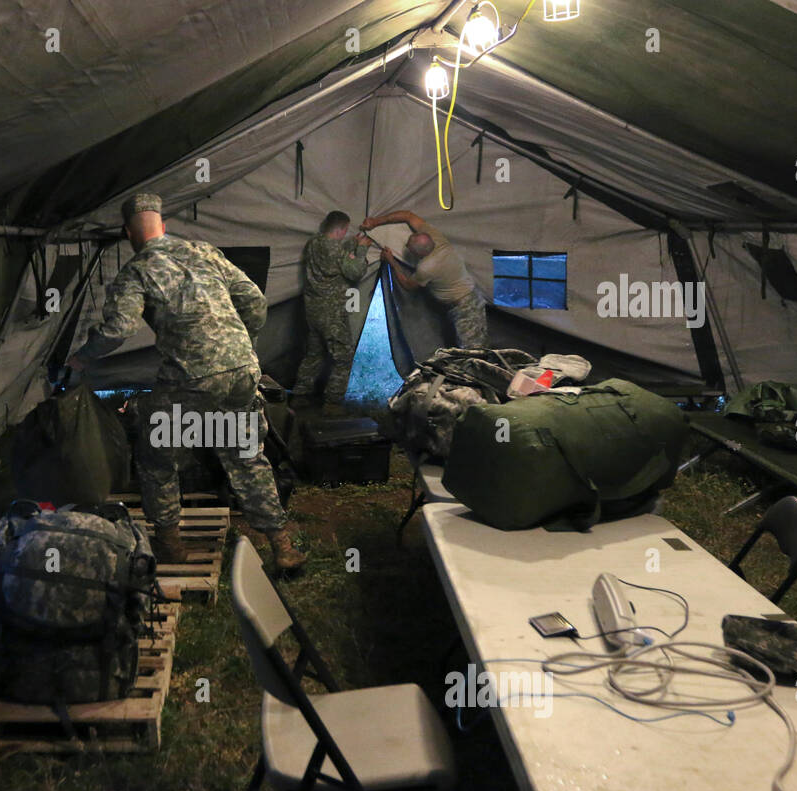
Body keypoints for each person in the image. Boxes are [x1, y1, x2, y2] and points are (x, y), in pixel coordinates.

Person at [67, 193, 306, 571]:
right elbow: (255, 301)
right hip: (242, 371)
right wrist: (242, 345)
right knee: (245, 455)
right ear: (163, 225)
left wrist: (81, 358)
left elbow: (118, 329)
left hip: (189, 380)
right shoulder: (204, 252)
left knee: (157, 457)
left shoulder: (136, 271)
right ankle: (283, 547)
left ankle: (170, 544)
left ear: (128, 232)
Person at [362, 208, 490, 349]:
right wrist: (375, 222)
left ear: (419, 255)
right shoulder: (436, 237)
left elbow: (407, 285)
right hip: (471, 296)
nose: (405, 245)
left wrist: (392, 262)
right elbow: (407, 215)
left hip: (464, 307)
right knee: (479, 343)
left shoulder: (426, 267)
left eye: (408, 246)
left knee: (472, 350)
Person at [294, 211, 372, 413]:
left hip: (312, 309)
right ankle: (332, 403)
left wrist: (351, 245)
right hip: (332, 313)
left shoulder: (313, 243)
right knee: (344, 357)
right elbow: (354, 272)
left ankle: (300, 395)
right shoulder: (337, 251)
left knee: (314, 354)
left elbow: (334, 259)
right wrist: (362, 250)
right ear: (341, 229)